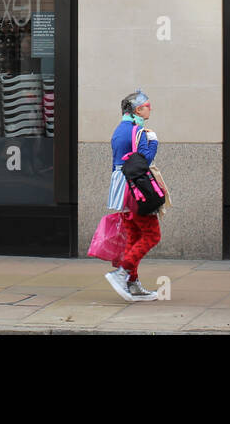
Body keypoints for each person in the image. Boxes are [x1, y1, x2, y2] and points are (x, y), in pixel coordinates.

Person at [103, 90, 161, 301]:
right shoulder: (137, 131)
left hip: (121, 190)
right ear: (138, 109)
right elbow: (144, 160)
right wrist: (153, 141)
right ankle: (121, 273)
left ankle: (132, 283)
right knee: (152, 235)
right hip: (136, 190)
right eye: (147, 105)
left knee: (134, 237)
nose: (150, 108)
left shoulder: (119, 130)